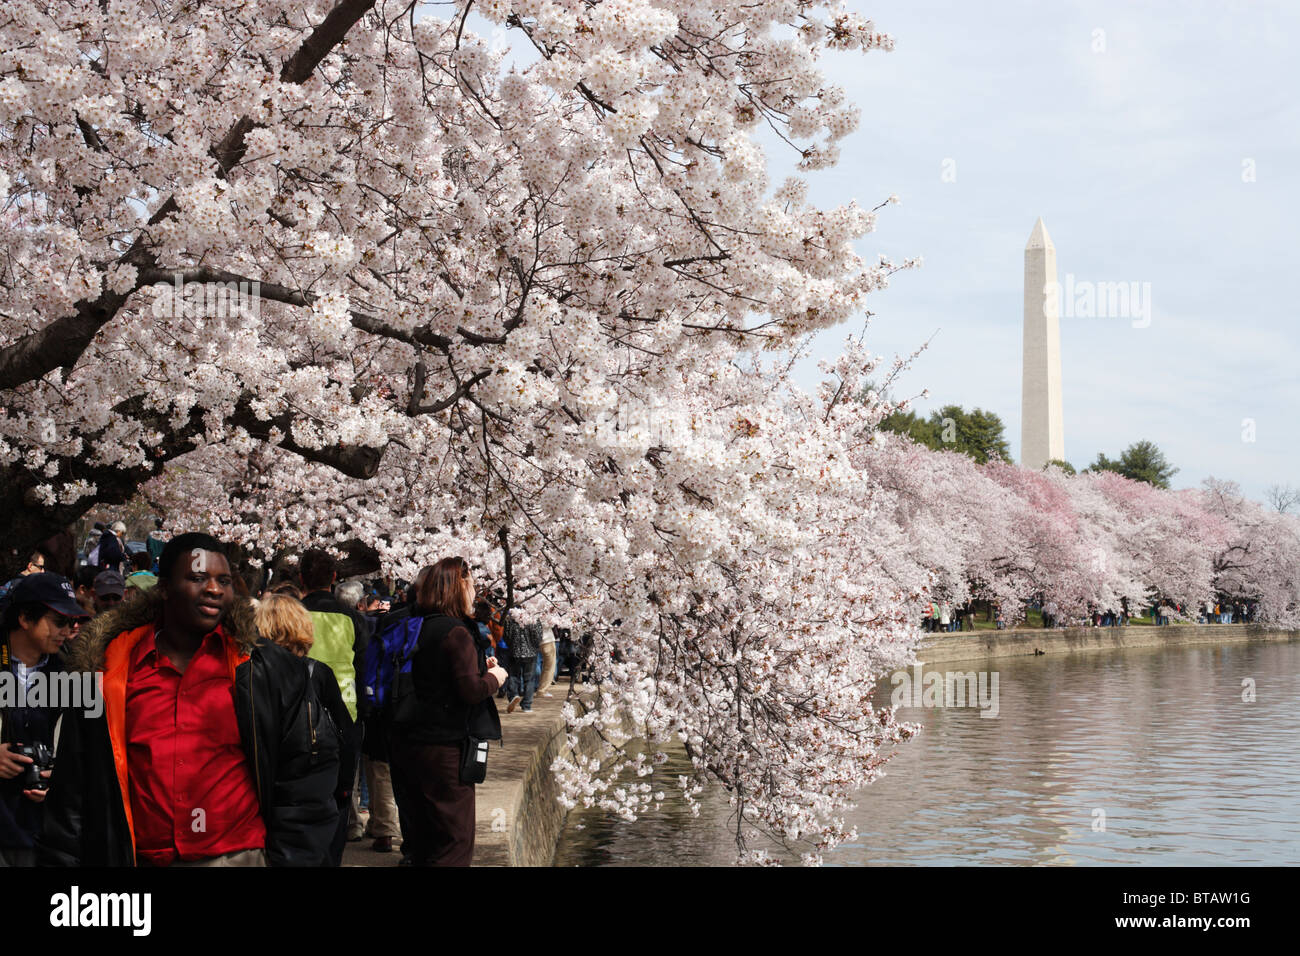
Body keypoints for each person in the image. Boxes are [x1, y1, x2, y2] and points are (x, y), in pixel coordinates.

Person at [37, 532, 339, 866]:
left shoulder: (269, 671)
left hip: (239, 856)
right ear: (164, 588)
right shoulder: (104, 672)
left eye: (223, 580)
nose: (213, 589)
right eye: (197, 578)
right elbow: (72, 791)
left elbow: (307, 780)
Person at [391, 557, 505, 866]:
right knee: (454, 840)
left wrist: (480, 668)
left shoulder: (419, 625)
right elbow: (469, 691)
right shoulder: (455, 632)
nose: (474, 590)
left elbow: (437, 677)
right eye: (470, 583)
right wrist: (494, 678)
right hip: (445, 746)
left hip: (410, 740)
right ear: (457, 588)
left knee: (425, 837)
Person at [254, 592, 354, 866]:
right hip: (313, 797)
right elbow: (345, 733)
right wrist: (343, 789)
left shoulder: (250, 673)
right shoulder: (316, 672)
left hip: (273, 801)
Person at [0, 574, 90, 866]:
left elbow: (89, 751)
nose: (68, 631)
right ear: (25, 618)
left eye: (73, 622)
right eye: (59, 621)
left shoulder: (73, 674)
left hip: (42, 829)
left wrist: (61, 775)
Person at [298, 550, 369, 858]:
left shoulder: (294, 614)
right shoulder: (353, 618)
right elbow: (364, 669)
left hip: (297, 715)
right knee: (340, 796)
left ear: (301, 578)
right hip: (346, 716)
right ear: (335, 579)